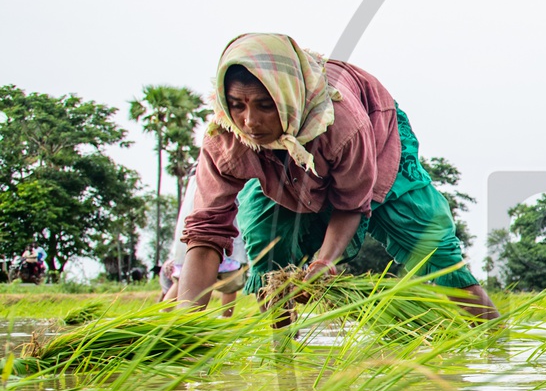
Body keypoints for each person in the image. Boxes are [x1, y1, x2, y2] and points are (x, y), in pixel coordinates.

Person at [177, 33, 497, 319]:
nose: (250, 121)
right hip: (280, 173)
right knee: (267, 247)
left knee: (432, 244)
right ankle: (286, 362)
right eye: (238, 105)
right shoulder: (226, 139)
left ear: (287, 96)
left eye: (265, 105)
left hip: (375, 140)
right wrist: (182, 327)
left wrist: (324, 262)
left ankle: (493, 335)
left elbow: (351, 202)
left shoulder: (342, 125)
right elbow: (205, 233)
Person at [160, 167, 246, 315]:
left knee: (230, 279)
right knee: (187, 277)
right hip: (206, 207)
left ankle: (226, 323)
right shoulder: (203, 171)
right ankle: (163, 319)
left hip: (228, 198)